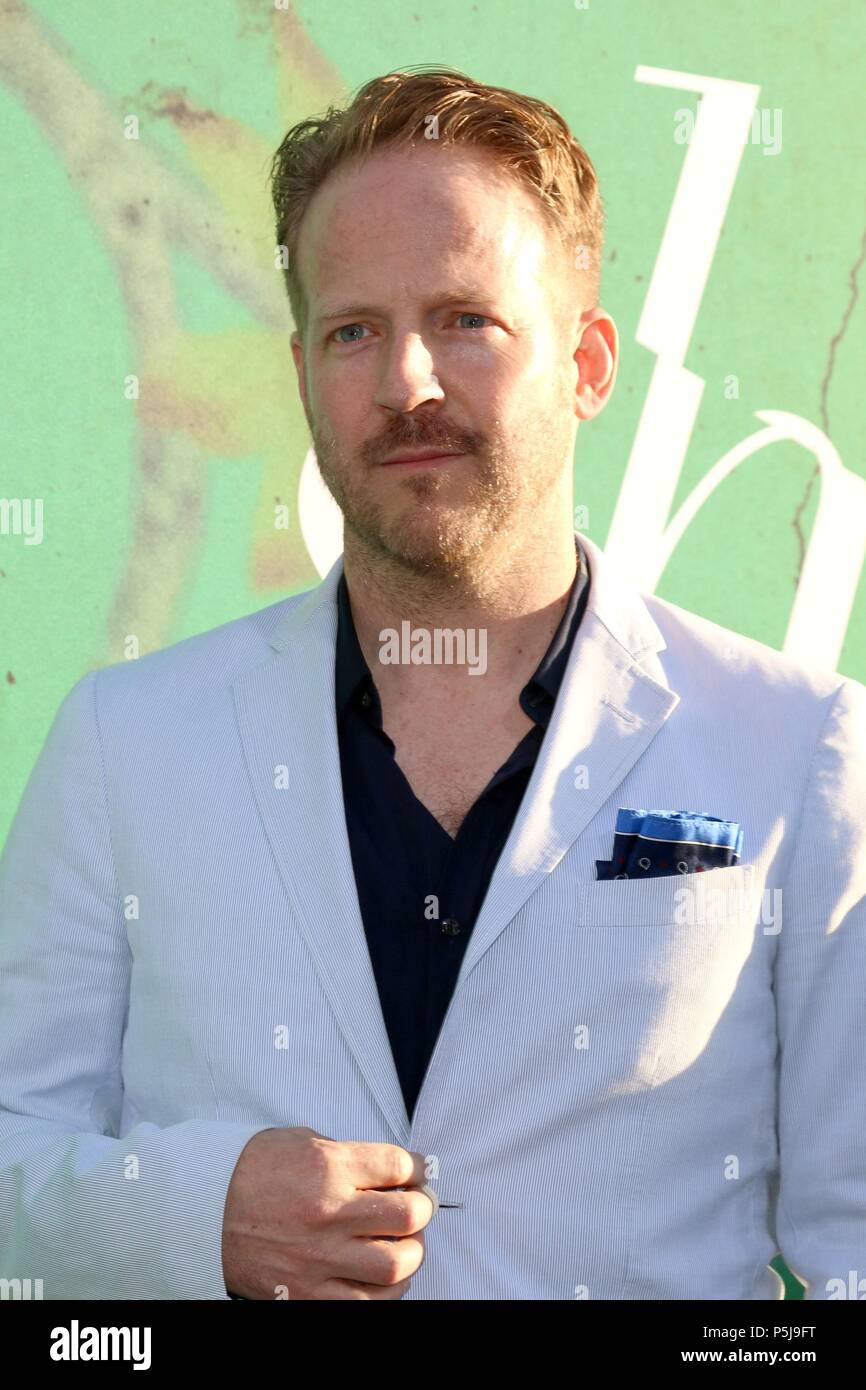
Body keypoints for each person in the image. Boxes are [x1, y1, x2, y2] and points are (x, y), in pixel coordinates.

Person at [1, 66, 864, 1301]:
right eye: (354, 331)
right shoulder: (124, 743)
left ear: (586, 362)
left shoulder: (798, 747)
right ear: (302, 372)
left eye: (465, 318)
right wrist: (196, 1217)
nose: (406, 382)